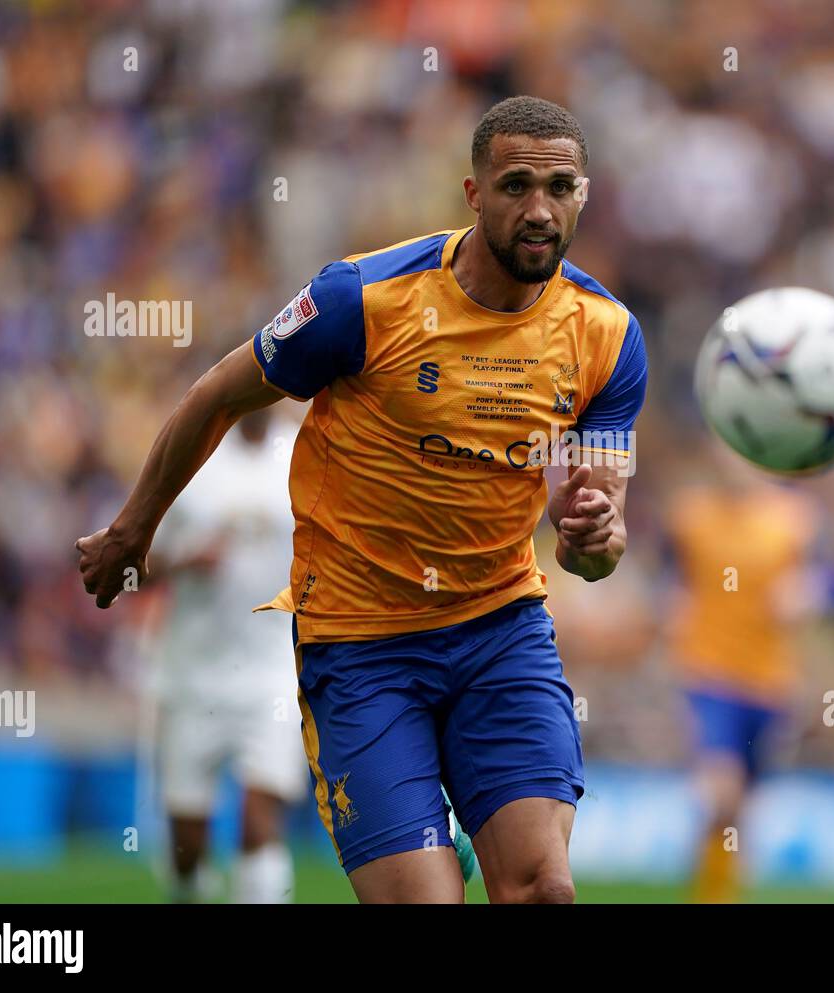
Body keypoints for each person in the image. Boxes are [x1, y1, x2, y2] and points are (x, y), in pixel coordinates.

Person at [77, 95, 647, 904]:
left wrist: (593, 531)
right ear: (473, 193)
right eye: (516, 185)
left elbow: (595, 551)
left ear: (584, 194)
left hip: (500, 629)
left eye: (561, 187)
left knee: (544, 888)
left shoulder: (609, 337)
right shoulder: (361, 300)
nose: (539, 209)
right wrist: (134, 529)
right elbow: (217, 396)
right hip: (362, 641)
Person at [148, 410, 306, 903]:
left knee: (260, 818)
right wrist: (184, 560)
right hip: (192, 674)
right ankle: (187, 884)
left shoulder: (303, 453)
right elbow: (136, 561)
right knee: (186, 844)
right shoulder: (193, 458)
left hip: (272, 672)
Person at [665, 440, 821, 902]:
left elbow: (831, 577)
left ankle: (720, 889)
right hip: (709, 673)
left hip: (771, 682)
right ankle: (707, 892)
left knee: (741, 809)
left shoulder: (795, 519)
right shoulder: (691, 515)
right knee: (721, 792)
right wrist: (672, 606)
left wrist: (804, 594)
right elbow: (671, 574)